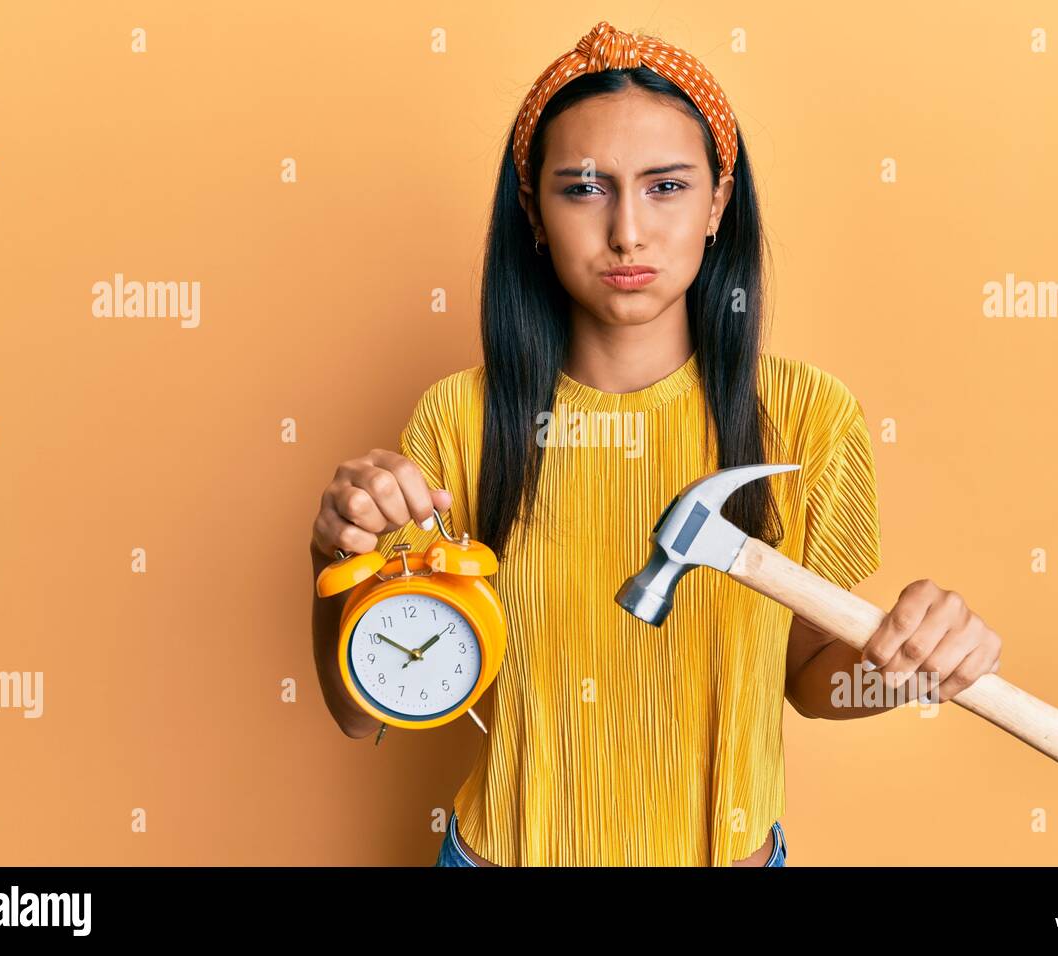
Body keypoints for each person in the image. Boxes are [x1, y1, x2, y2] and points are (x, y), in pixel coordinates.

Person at [309, 21, 1002, 867]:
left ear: (718, 202)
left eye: (667, 187)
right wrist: (331, 557)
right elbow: (361, 713)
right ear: (533, 211)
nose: (628, 232)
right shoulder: (459, 420)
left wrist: (908, 664)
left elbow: (811, 681)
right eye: (584, 190)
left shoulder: (807, 417)